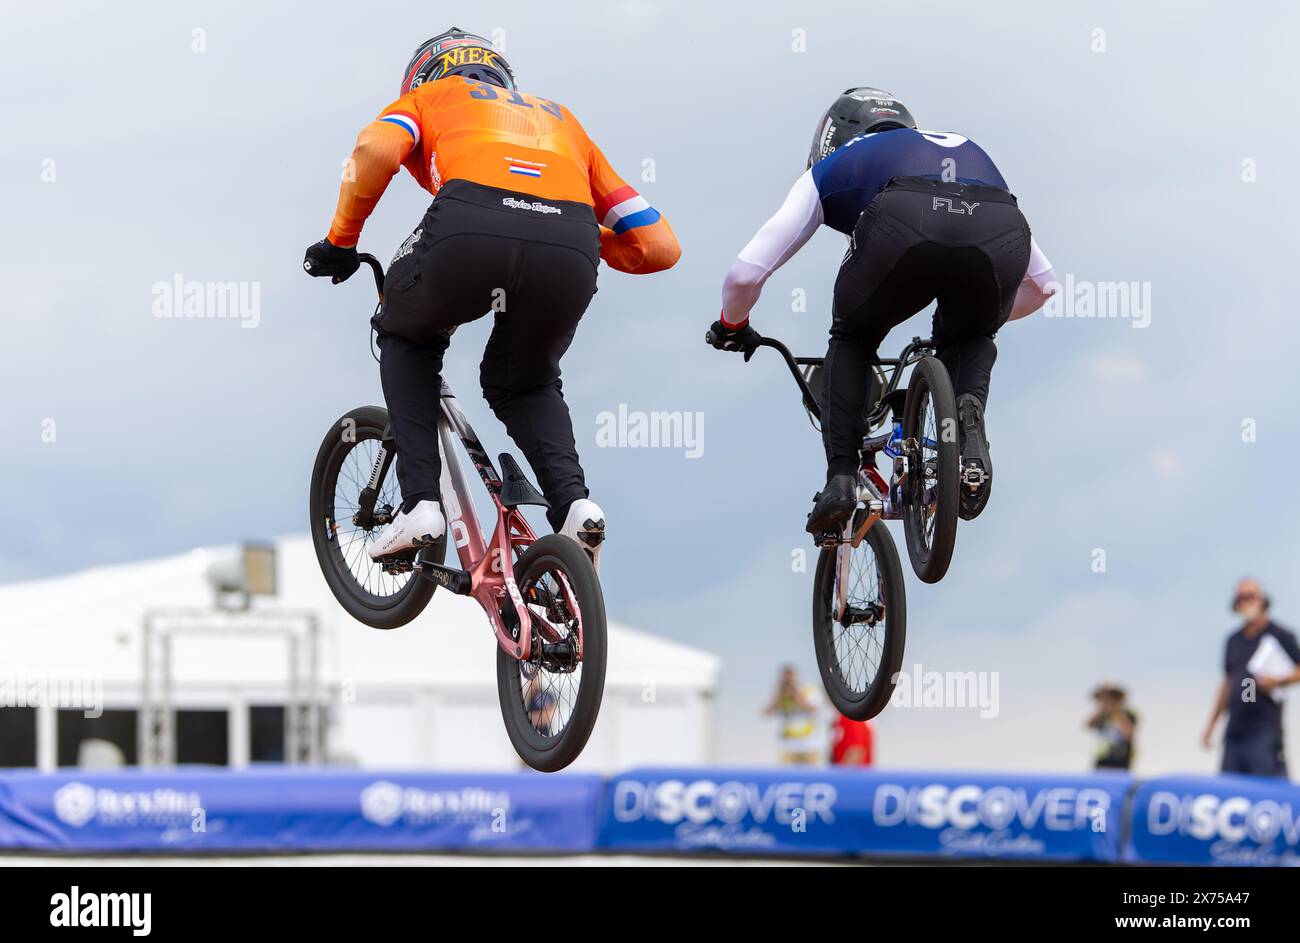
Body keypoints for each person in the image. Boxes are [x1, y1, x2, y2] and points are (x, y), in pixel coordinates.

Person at [304, 28, 680, 569]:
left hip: (469, 229)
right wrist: (566, 236)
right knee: (524, 380)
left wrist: (342, 241)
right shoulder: (561, 119)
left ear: (425, 74)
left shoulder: (429, 97)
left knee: (405, 333)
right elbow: (660, 245)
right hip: (571, 245)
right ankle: (575, 507)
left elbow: (376, 148)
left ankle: (420, 507)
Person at [707, 88, 1058, 533]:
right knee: (971, 337)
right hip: (998, 225)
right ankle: (968, 432)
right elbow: (1045, 286)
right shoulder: (960, 147)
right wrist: (970, 326)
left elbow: (745, 274)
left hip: (902, 219)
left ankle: (840, 479)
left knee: (852, 338)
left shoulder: (839, 162)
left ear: (829, 141)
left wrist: (732, 323)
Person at [1202, 578, 1300, 777]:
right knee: (1230, 788)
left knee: (1268, 788)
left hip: (1264, 732)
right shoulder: (1233, 640)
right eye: (1242, 598)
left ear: (1263, 600)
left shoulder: (1281, 635)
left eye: (1251, 596)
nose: (1247, 602)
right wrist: (1211, 726)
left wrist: (1278, 681)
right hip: (1235, 731)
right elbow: (1227, 683)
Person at [763, 665, 823, 765]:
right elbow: (766, 713)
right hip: (788, 746)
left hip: (809, 745)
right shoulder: (781, 695)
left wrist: (796, 694)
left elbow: (814, 710)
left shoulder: (807, 690)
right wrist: (777, 696)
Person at [1085, 682, 1136, 771]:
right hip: (1101, 760)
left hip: (1120, 762)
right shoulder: (1102, 716)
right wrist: (1102, 709)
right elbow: (1088, 725)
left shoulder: (1128, 714)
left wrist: (1116, 711)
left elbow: (1128, 734)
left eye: (1112, 697)